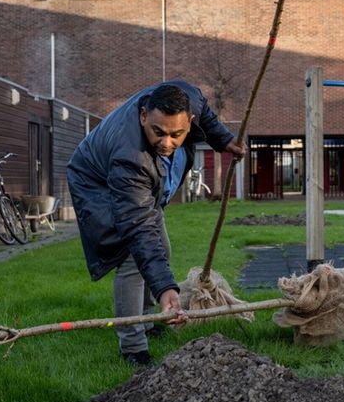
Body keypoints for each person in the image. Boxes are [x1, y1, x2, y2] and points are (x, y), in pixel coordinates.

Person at [67, 81, 246, 367]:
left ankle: (150, 320)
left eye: (177, 134)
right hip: (96, 181)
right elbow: (138, 228)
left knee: (162, 247)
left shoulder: (190, 98)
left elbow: (208, 118)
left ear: (189, 120)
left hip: (131, 180)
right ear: (143, 117)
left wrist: (224, 140)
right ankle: (133, 347)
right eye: (158, 132)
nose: (167, 143)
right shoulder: (130, 158)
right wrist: (166, 287)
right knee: (131, 258)